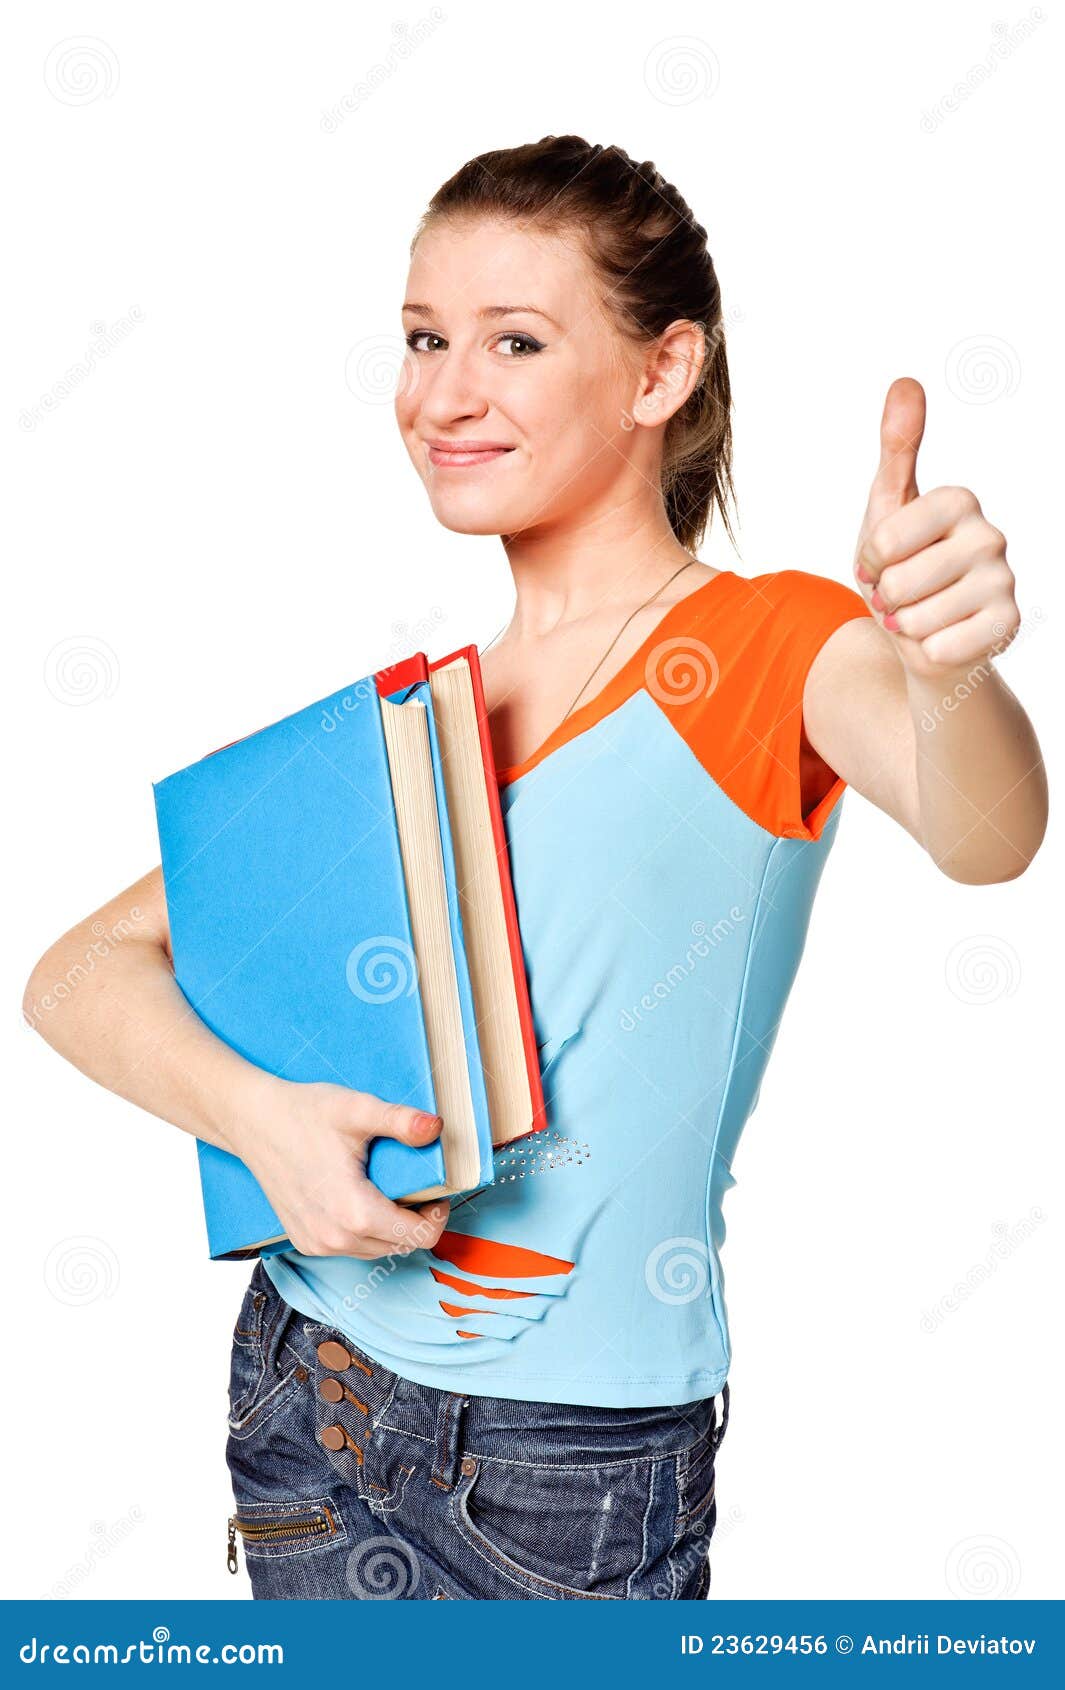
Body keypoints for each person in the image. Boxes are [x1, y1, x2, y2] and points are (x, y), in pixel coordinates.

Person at [23, 135, 1046, 1601]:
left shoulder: (768, 644)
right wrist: (264, 1124)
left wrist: (946, 665)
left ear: (660, 371)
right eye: (422, 339)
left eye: (514, 341)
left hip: (564, 1463)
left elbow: (987, 834)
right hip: (306, 1383)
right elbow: (75, 973)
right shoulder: (407, 726)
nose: (443, 394)